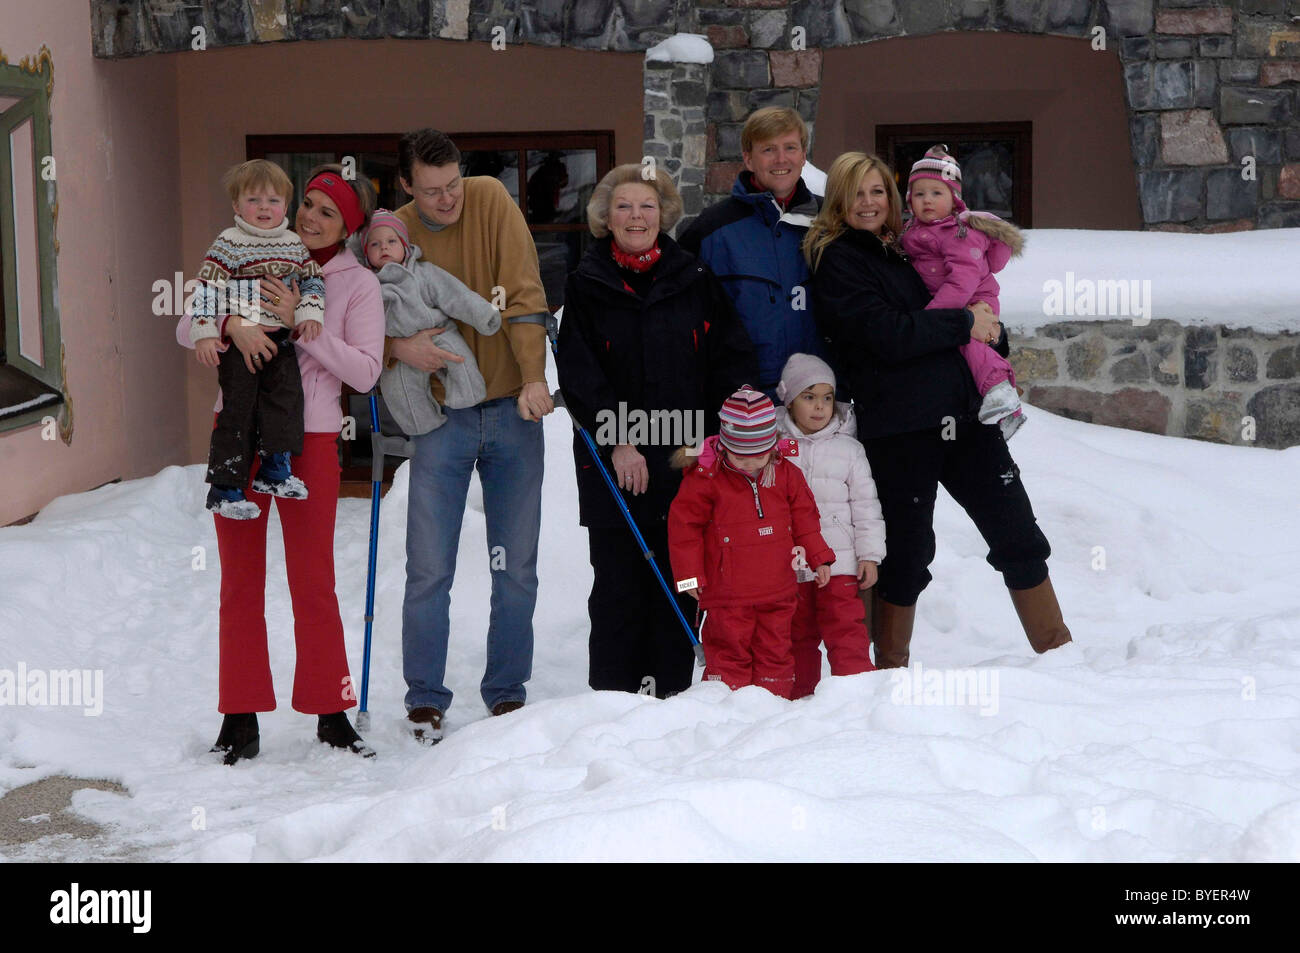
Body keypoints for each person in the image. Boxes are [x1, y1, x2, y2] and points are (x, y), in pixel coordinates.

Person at [804, 152, 1072, 668]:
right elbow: (885, 336)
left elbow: (969, 306)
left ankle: (1058, 651)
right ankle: (887, 669)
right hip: (899, 427)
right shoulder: (839, 259)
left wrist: (993, 332)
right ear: (839, 198)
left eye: (877, 192)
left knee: (1017, 532)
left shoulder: (912, 246)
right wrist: (962, 325)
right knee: (906, 554)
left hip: (965, 418)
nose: (868, 203)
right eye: (856, 193)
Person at [178, 164, 385, 762]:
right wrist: (230, 323)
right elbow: (187, 321)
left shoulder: (356, 284)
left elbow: (366, 372)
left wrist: (302, 322)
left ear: (347, 227)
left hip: (310, 443)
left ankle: (330, 711)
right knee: (240, 580)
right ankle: (239, 715)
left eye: (327, 210)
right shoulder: (245, 247)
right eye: (309, 204)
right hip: (238, 436)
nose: (309, 216)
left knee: (312, 580)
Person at [556, 164, 755, 699]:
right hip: (612, 456)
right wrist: (620, 439)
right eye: (624, 206)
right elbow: (579, 373)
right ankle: (615, 697)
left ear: (663, 213)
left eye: (647, 206)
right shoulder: (586, 283)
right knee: (620, 580)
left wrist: (713, 439)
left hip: (685, 454)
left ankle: (671, 692)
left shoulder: (694, 278)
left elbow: (728, 361)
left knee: (680, 575)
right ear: (606, 217)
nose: (636, 216)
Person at [388, 128, 553, 744]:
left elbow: (524, 294)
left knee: (515, 565)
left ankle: (506, 692)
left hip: (513, 410)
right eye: (431, 191)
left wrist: (535, 377)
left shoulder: (490, 199)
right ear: (407, 186)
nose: (447, 198)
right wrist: (395, 347)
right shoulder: (392, 233)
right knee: (429, 568)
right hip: (438, 420)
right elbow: (356, 313)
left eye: (452, 183)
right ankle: (425, 699)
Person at [668, 387, 834, 699]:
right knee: (729, 653)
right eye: (740, 456)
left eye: (759, 455)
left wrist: (819, 557)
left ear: (772, 446)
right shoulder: (705, 478)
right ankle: (726, 712)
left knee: (776, 653)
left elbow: (805, 519)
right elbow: (684, 529)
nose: (750, 464)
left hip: (778, 588)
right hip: (726, 592)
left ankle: (772, 707)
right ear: (724, 447)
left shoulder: (785, 473)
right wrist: (689, 576)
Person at [191, 159, 325, 518]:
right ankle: (225, 488)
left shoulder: (294, 245)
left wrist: (309, 311)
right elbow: (207, 288)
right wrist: (206, 331)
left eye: (273, 200)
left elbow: (313, 280)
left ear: (286, 205)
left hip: (279, 342)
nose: (264, 208)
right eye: (254, 200)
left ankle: (275, 470)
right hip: (239, 347)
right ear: (236, 206)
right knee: (239, 410)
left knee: (285, 402)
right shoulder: (229, 243)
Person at [678, 107, 823, 399]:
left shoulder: (831, 220)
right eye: (768, 149)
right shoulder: (711, 230)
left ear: (803, 154)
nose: (781, 159)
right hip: (742, 405)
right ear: (748, 158)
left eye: (790, 148)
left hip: (820, 401)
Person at [775, 353, 885, 698]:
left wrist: (869, 555)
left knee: (846, 629)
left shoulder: (849, 449)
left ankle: (855, 696)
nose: (820, 407)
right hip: (793, 564)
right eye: (809, 397)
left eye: (826, 398)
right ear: (790, 401)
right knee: (797, 633)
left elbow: (866, 506)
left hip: (840, 562)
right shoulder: (773, 448)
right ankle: (799, 699)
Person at [900, 145, 1026, 439]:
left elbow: (962, 282)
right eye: (919, 194)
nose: (927, 200)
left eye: (936, 193)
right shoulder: (914, 230)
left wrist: (931, 318)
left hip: (974, 300)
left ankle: (1000, 391)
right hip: (954, 304)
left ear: (954, 199)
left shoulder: (959, 232)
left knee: (968, 341)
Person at [359, 209, 501, 436]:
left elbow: (455, 295)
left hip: (438, 332)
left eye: (391, 241)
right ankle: (423, 424)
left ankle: (467, 395)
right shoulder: (367, 284)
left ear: (405, 246)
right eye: (374, 244)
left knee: (459, 358)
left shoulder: (423, 273)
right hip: (398, 352)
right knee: (399, 390)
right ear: (366, 253)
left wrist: (484, 314)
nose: (383, 247)